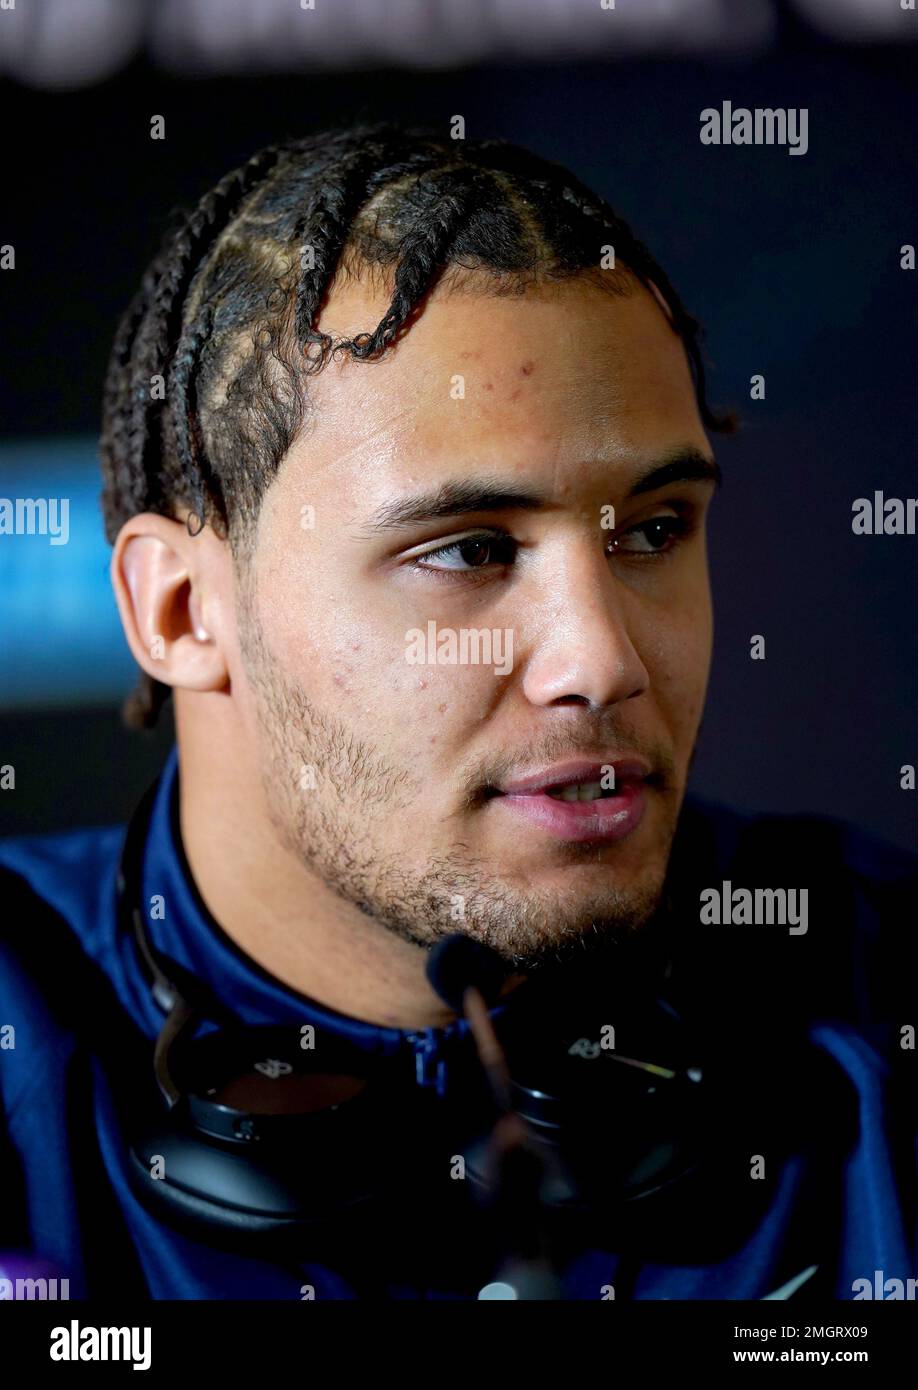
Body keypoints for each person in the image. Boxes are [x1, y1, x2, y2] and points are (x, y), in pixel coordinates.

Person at [0, 123, 914, 1301]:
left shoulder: (881, 1000)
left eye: (652, 531)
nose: (602, 660)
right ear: (180, 611)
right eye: (471, 549)